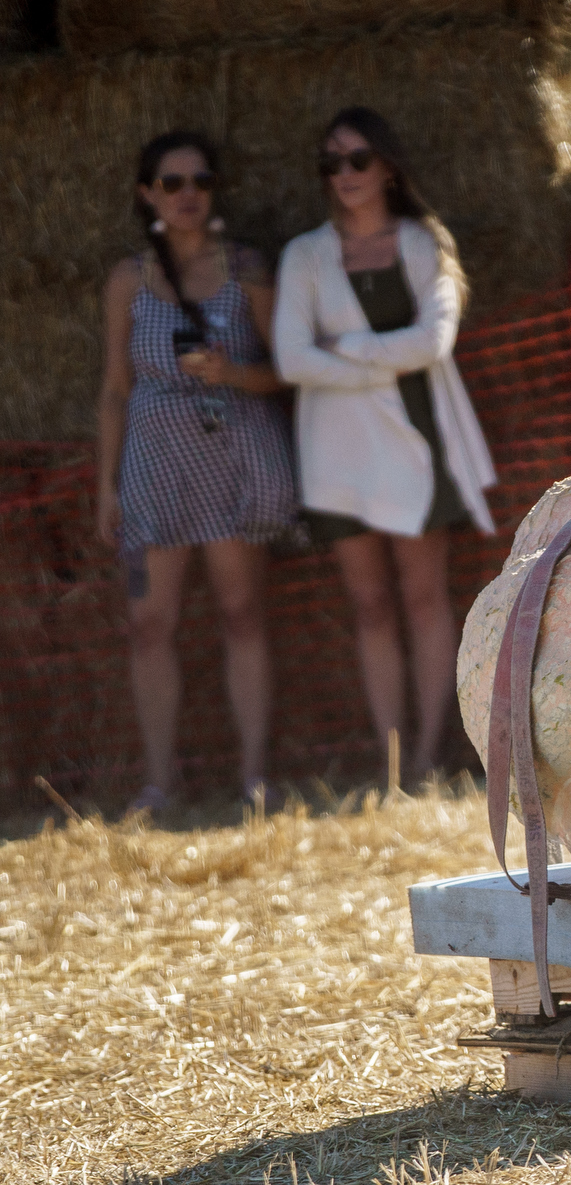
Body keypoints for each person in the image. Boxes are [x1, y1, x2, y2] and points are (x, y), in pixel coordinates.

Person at [274, 107, 497, 781]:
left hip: (418, 443)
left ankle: (431, 757)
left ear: (388, 167)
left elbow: (433, 344)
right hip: (338, 452)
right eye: (331, 163)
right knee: (369, 604)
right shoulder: (305, 254)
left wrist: (344, 350)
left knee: (424, 597)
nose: (344, 174)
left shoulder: (425, 241)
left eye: (357, 160)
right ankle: (393, 764)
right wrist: (379, 360)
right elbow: (291, 359)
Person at [98, 131, 297, 813]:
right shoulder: (129, 278)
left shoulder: (247, 269)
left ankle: (253, 778)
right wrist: (106, 484)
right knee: (150, 622)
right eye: (172, 183)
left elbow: (289, 370)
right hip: (154, 462)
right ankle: (160, 782)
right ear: (147, 193)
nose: (188, 196)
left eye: (200, 182)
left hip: (234, 449)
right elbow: (115, 386)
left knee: (242, 613)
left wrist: (232, 372)